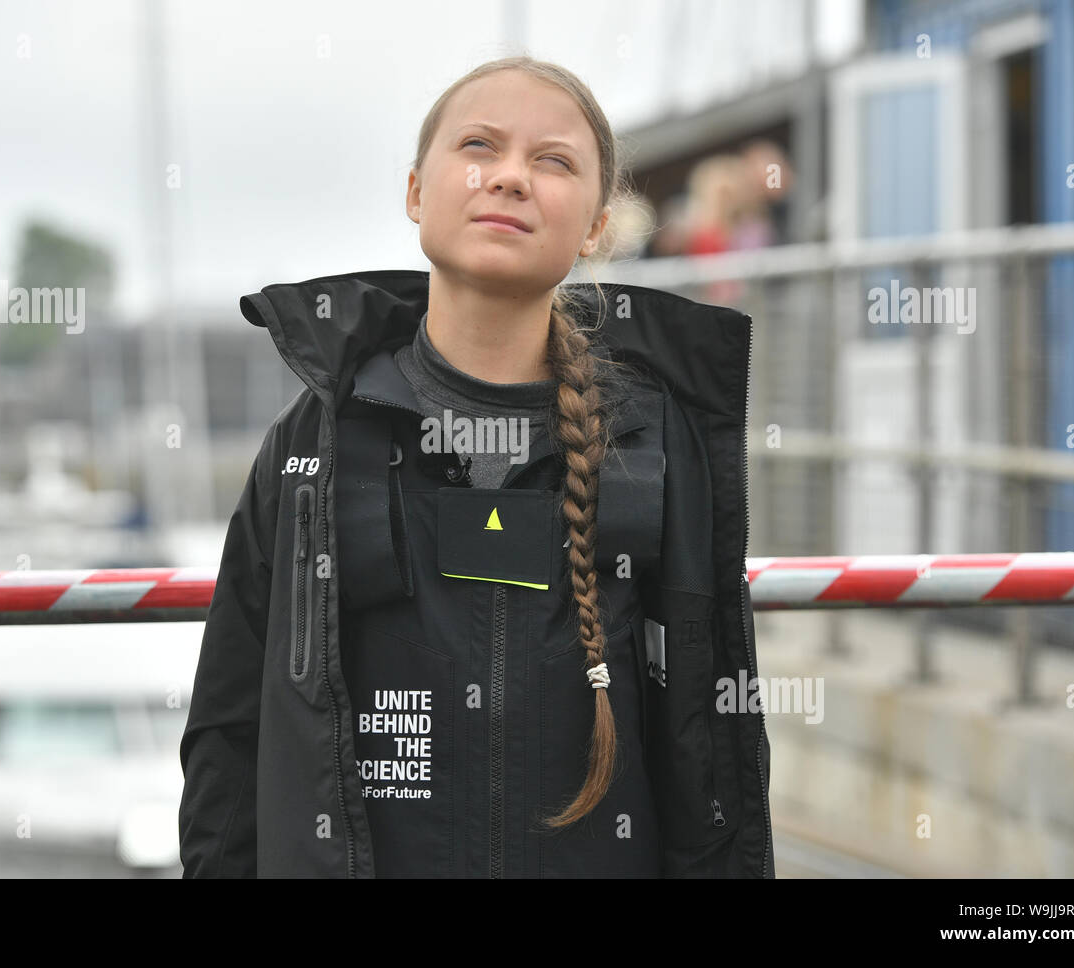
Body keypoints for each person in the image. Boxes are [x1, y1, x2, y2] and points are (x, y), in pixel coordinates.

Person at [179, 55, 774, 878]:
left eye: (553, 161)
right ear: (418, 191)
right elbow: (232, 722)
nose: (509, 178)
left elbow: (710, 747)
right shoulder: (314, 441)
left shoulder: (655, 444)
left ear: (597, 226)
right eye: (479, 147)